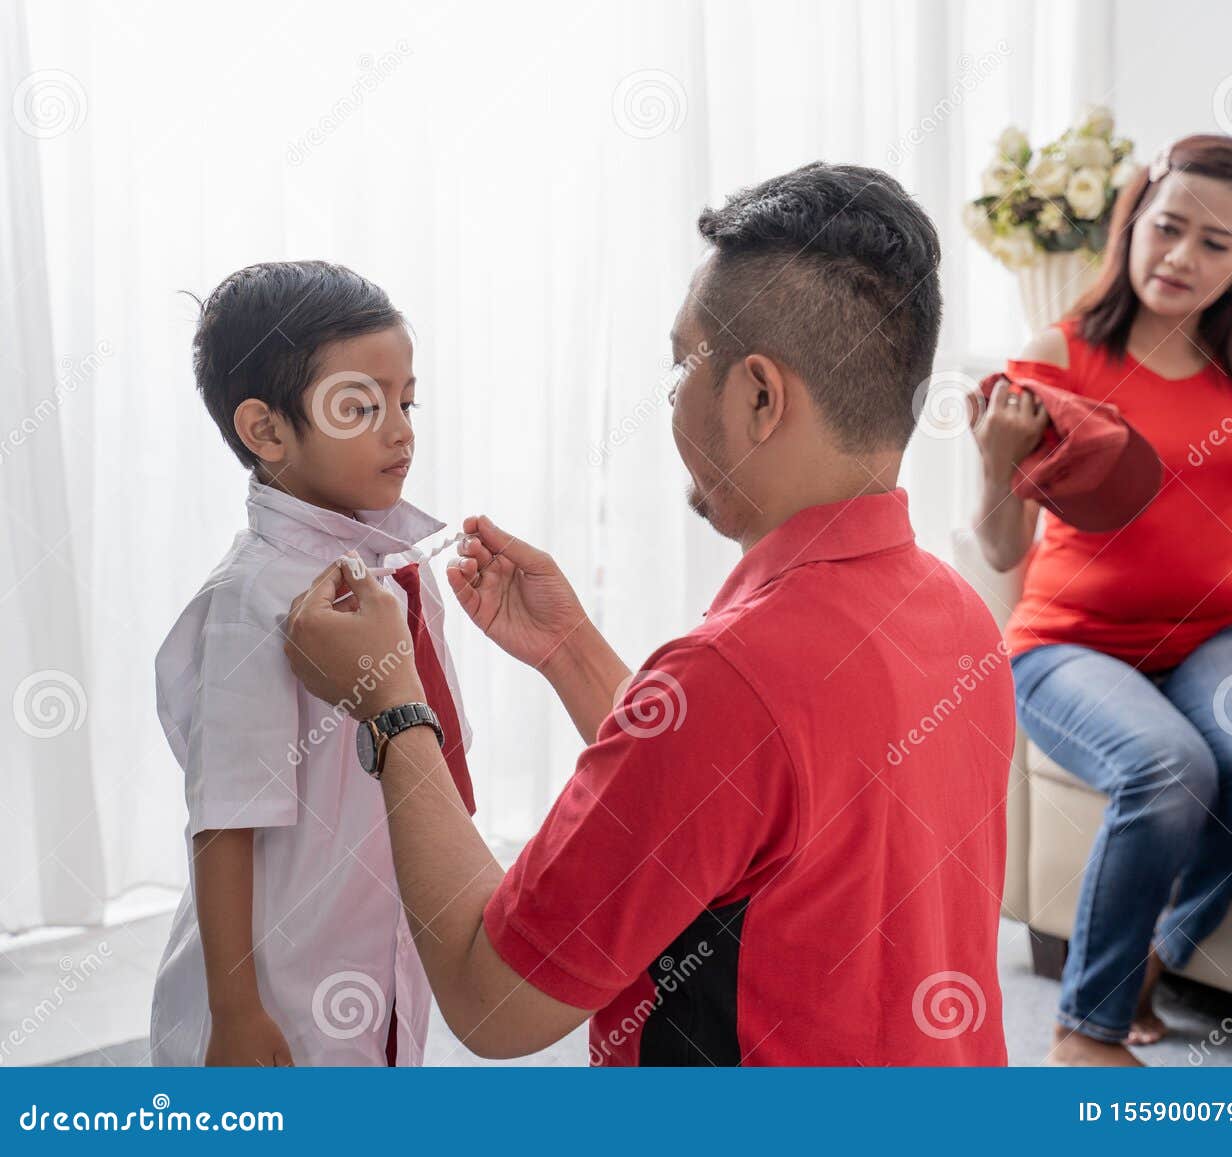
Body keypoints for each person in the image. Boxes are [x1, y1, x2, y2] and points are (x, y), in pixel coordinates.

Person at [282, 163, 1019, 1065]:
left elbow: (490, 998)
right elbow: (733, 821)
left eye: (682, 368)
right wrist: (570, 651)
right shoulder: (956, 614)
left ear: (757, 395)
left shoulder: (732, 679)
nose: (673, 398)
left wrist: (394, 706)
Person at [972, 134, 1232, 1066]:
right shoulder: (1059, 355)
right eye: (1167, 228)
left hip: (1219, 632)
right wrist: (990, 464)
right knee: (1170, 765)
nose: (1182, 257)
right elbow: (1004, 546)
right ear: (1132, 224)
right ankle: (1082, 1031)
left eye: (1216, 243)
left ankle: (1149, 955)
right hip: (1067, 644)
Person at [150, 261, 474, 1066]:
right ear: (266, 431)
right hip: (282, 992)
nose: (401, 430)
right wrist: (235, 1011)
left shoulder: (392, 565)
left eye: (407, 401)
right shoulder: (256, 601)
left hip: (377, 948)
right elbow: (225, 817)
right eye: (362, 406)